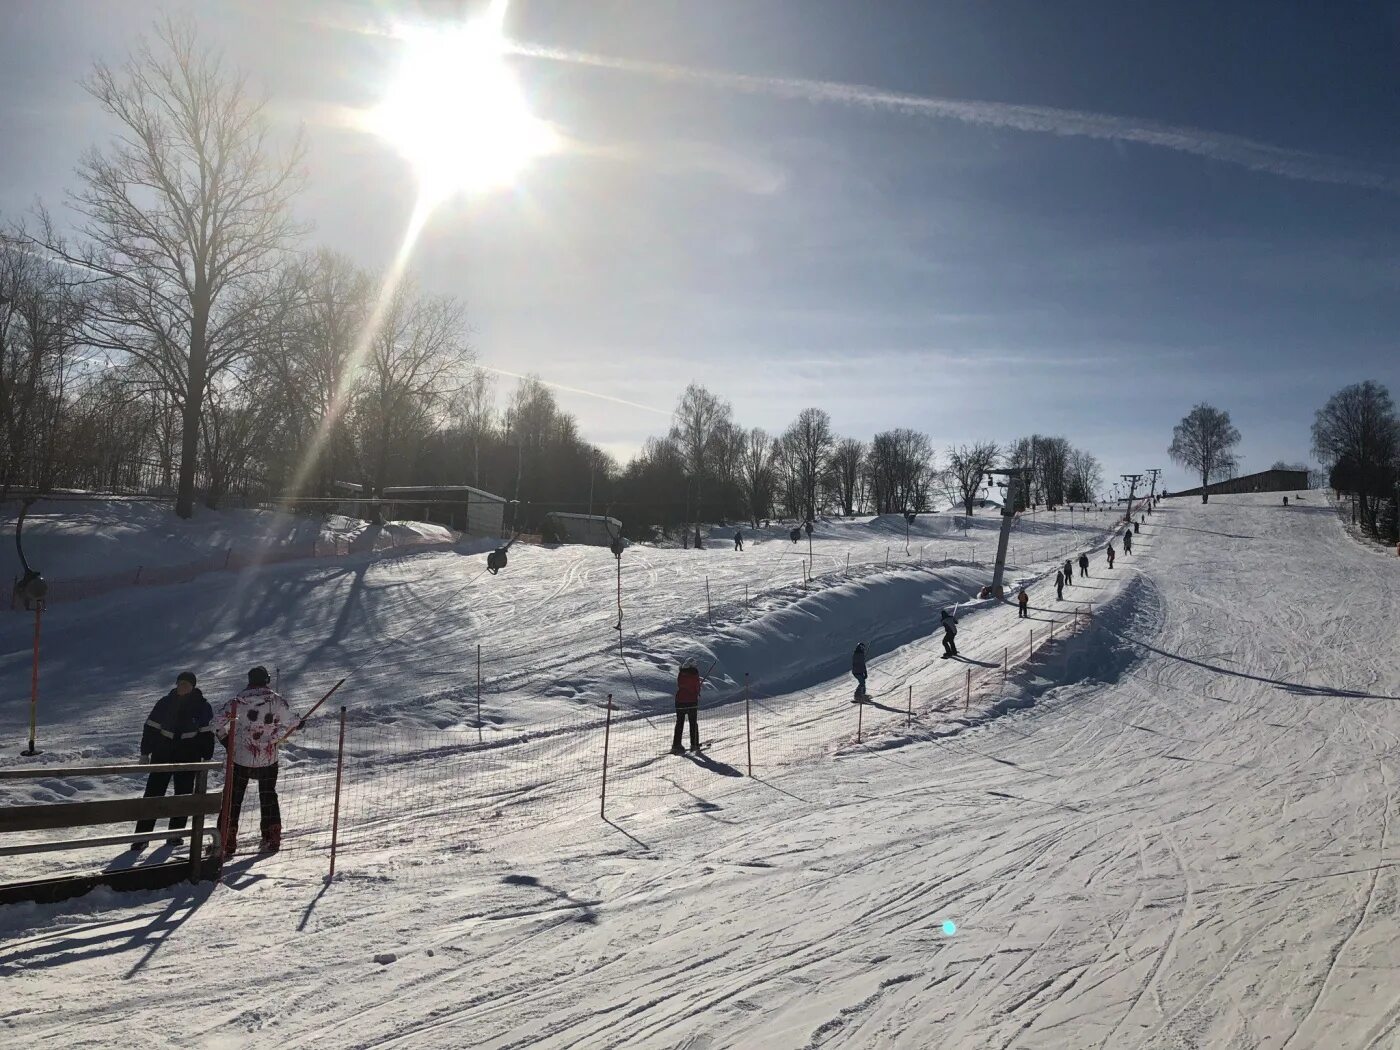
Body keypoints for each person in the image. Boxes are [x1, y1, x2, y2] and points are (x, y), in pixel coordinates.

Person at [216, 666, 301, 856]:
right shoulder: (276, 700)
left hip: (240, 758)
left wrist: (226, 742)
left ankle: (226, 838)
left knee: (233, 797)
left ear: (249, 680)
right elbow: (292, 721)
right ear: (267, 680)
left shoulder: (237, 701)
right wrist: (296, 723)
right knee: (268, 795)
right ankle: (272, 835)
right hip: (268, 758)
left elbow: (216, 723)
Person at [131, 671, 215, 851]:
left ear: (192, 687)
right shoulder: (165, 703)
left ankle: (175, 835)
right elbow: (150, 728)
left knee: (183, 795)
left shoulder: (202, 705)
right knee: (153, 794)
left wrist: (206, 757)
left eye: (186, 684)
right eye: (180, 683)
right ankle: (142, 836)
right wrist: (145, 752)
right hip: (163, 751)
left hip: (188, 753)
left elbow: (207, 734)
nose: (182, 687)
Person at [671, 662, 702, 754]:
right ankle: (694, 744)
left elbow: (681, 685)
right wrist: (697, 691)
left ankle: (676, 745)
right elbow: (696, 688)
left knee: (679, 723)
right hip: (691, 701)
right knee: (693, 723)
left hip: (680, 701)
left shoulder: (681, 674)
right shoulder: (694, 675)